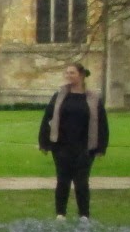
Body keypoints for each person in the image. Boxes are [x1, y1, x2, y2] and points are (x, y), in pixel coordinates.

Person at [38, 63, 109, 220]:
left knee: (81, 182)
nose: (69, 76)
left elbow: (102, 123)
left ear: (81, 75)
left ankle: (84, 214)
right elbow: (48, 117)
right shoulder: (59, 96)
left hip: (85, 147)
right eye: (67, 73)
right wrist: (44, 142)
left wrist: (101, 147)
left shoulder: (93, 98)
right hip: (61, 145)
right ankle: (60, 213)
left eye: (72, 73)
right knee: (62, 180)